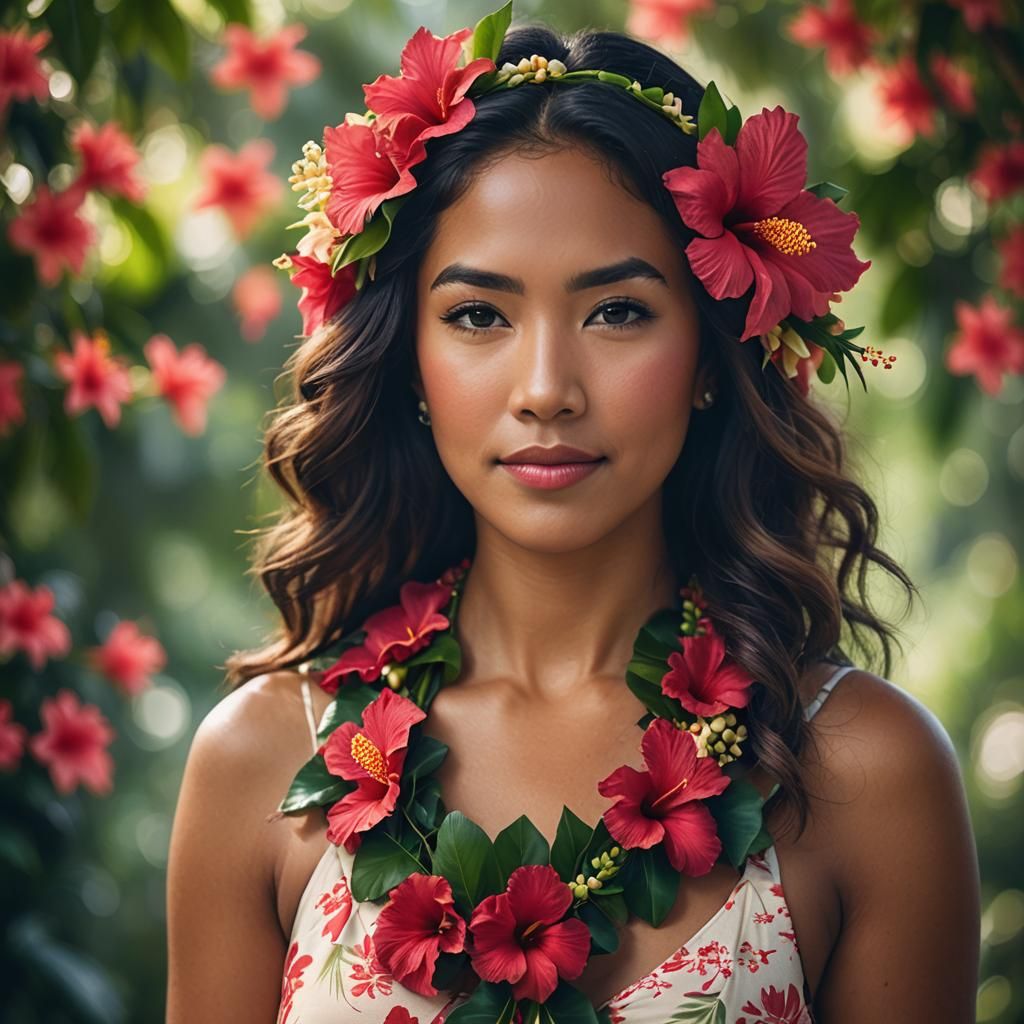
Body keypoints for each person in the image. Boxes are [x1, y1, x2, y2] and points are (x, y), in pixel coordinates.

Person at [165, 13, 980, 1024]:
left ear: (709, 361)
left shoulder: (863, 771)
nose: (546, 388)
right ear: (408, 362)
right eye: (478, 315)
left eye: (617, 311)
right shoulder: (261, 762)